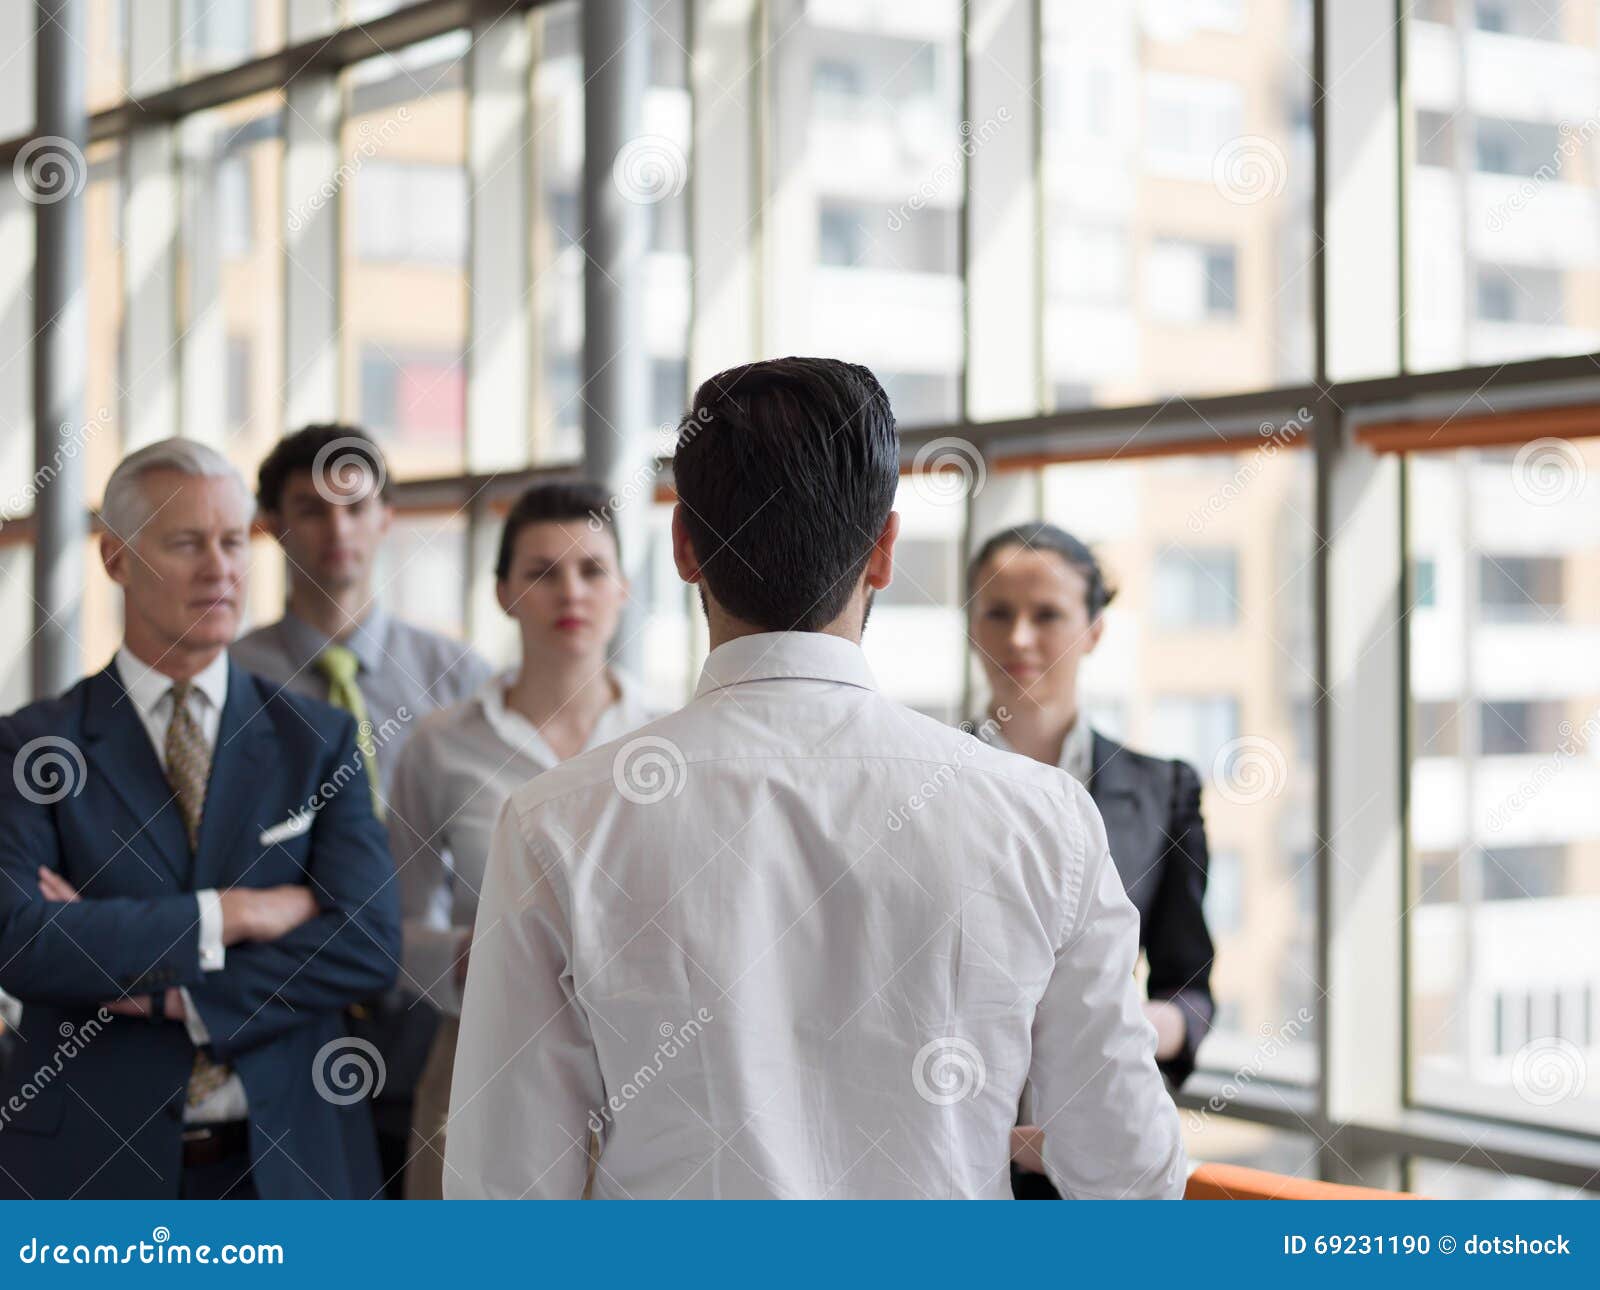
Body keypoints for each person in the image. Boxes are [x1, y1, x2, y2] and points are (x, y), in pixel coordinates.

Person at [444, 357, 1185, 1199]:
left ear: (683, 547)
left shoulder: (557, 821)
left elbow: (503, 1191)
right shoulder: (1043, 817)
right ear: (884, 552)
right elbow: (1131, 1172)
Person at [0, 439, 401, 1199]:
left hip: (292, 1167)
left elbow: (368, 943)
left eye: (233, 542)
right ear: (116, 559)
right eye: (186, 543)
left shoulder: (318, 740)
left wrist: (177, 998)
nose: (220, 569)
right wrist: (232, 915)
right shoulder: (33, 746)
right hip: (88, 1171)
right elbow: (21, 939)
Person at [232, 424, 495, 1196]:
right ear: (273, 526)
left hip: (441, 1017)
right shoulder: (231, 682)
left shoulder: (459, 678)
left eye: (355, 507)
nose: (337, 529)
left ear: (387, 517)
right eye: (310, 510)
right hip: (288, 1020)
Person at [388, 479, 663, 1199]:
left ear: (624, 589)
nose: (569, 591)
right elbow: (389, 927)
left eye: (592, 570)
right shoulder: (440, 745)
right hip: (481, 1052)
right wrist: (463, 955)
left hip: (643, 1063)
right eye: (542, 572)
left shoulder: (669, 741)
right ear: (504, 593)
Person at [965, 521, 1216, 1198]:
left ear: (1094, 630)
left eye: (1047, 614)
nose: (1019, 638)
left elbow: (1190, 991)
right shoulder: (923, 779)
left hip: (1093, 1168)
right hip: (948, 1155)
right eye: (997, 612)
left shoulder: (1164, 790)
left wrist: (1125, 1032)